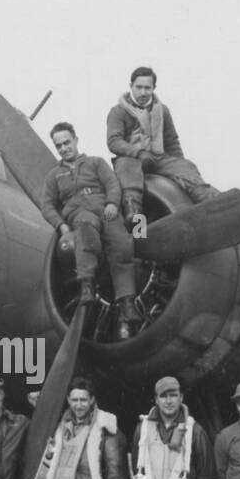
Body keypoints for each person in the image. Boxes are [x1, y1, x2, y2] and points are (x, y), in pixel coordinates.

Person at [40, 123, 140, 339]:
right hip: (80, 213)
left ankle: (127, 303)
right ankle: (87, 284)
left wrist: (113, 203)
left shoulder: (96, 163)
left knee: (122, 244)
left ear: (76, 140)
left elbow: (113, 183)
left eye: (67, 142)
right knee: (86, 234)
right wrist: (62, 225)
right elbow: (47, 205)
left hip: (105, 210)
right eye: (59, 146)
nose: (64, 148)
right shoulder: (53, 176)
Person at [107, 66, 219, 227]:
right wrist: (138, 152)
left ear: (154, 88)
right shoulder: (118, 111)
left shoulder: (162, 110)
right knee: (126, 168)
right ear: (131, 86)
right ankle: (134, 214)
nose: (143, 92)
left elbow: (172, 141)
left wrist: (180, 165)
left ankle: (213, 201)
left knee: (186, 167)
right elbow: (114, 141)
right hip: (131, 159)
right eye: (139, 87)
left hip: (158, 158)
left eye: (148, 88)